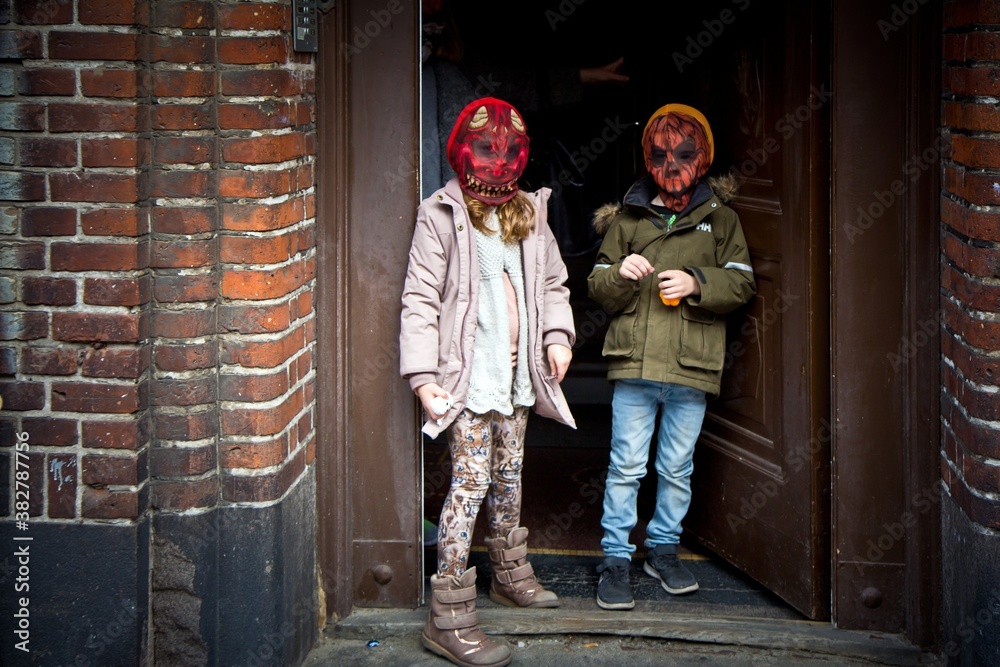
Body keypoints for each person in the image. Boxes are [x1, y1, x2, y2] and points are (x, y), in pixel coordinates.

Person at [400, 96, 576, 667]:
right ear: (462, 151)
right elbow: (420, 300)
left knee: (509, 476)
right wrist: (424, 377)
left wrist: (557, 337)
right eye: (484, 149)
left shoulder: (530, 211)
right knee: (470, 485)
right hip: (468, 383)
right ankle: (447, 612)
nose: (496, 162)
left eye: (507, 152)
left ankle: (506, 571)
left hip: (518, 377)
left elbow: (553, 283)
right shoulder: (441, 214)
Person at [586, 104, 756, 610]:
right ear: (647, 159)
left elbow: (742, 280)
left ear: (703, 159)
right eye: (660, 156)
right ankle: (616, 557)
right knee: (626, 467)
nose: (672, 166)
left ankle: (663, 548)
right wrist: (619, 275)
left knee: (677, 467)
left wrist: (698, 282)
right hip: (635, 365)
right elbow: (598, 285)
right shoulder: (628, 220)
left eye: (685, 155)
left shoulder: (721, 219)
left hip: (690, 366)